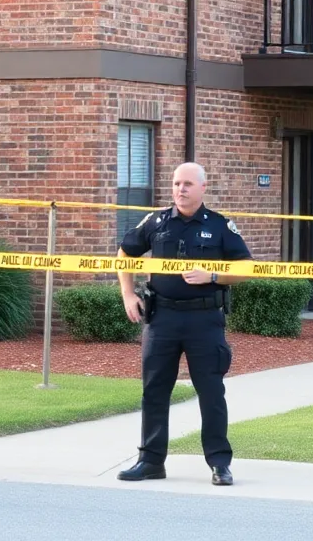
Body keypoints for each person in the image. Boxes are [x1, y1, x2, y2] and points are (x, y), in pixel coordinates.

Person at [115, 162, 250, 486]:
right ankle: (150, 461)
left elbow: (246, 267)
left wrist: (213, 276)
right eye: (177, 183)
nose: (181, 189)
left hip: (205, 320)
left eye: (188, 184)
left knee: (211, 393)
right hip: (162, 319)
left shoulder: (219, 225)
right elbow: (125, 253)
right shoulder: (157, 221)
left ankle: (219, 463)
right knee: (154, 390)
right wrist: (128, 294)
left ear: (203, 187)